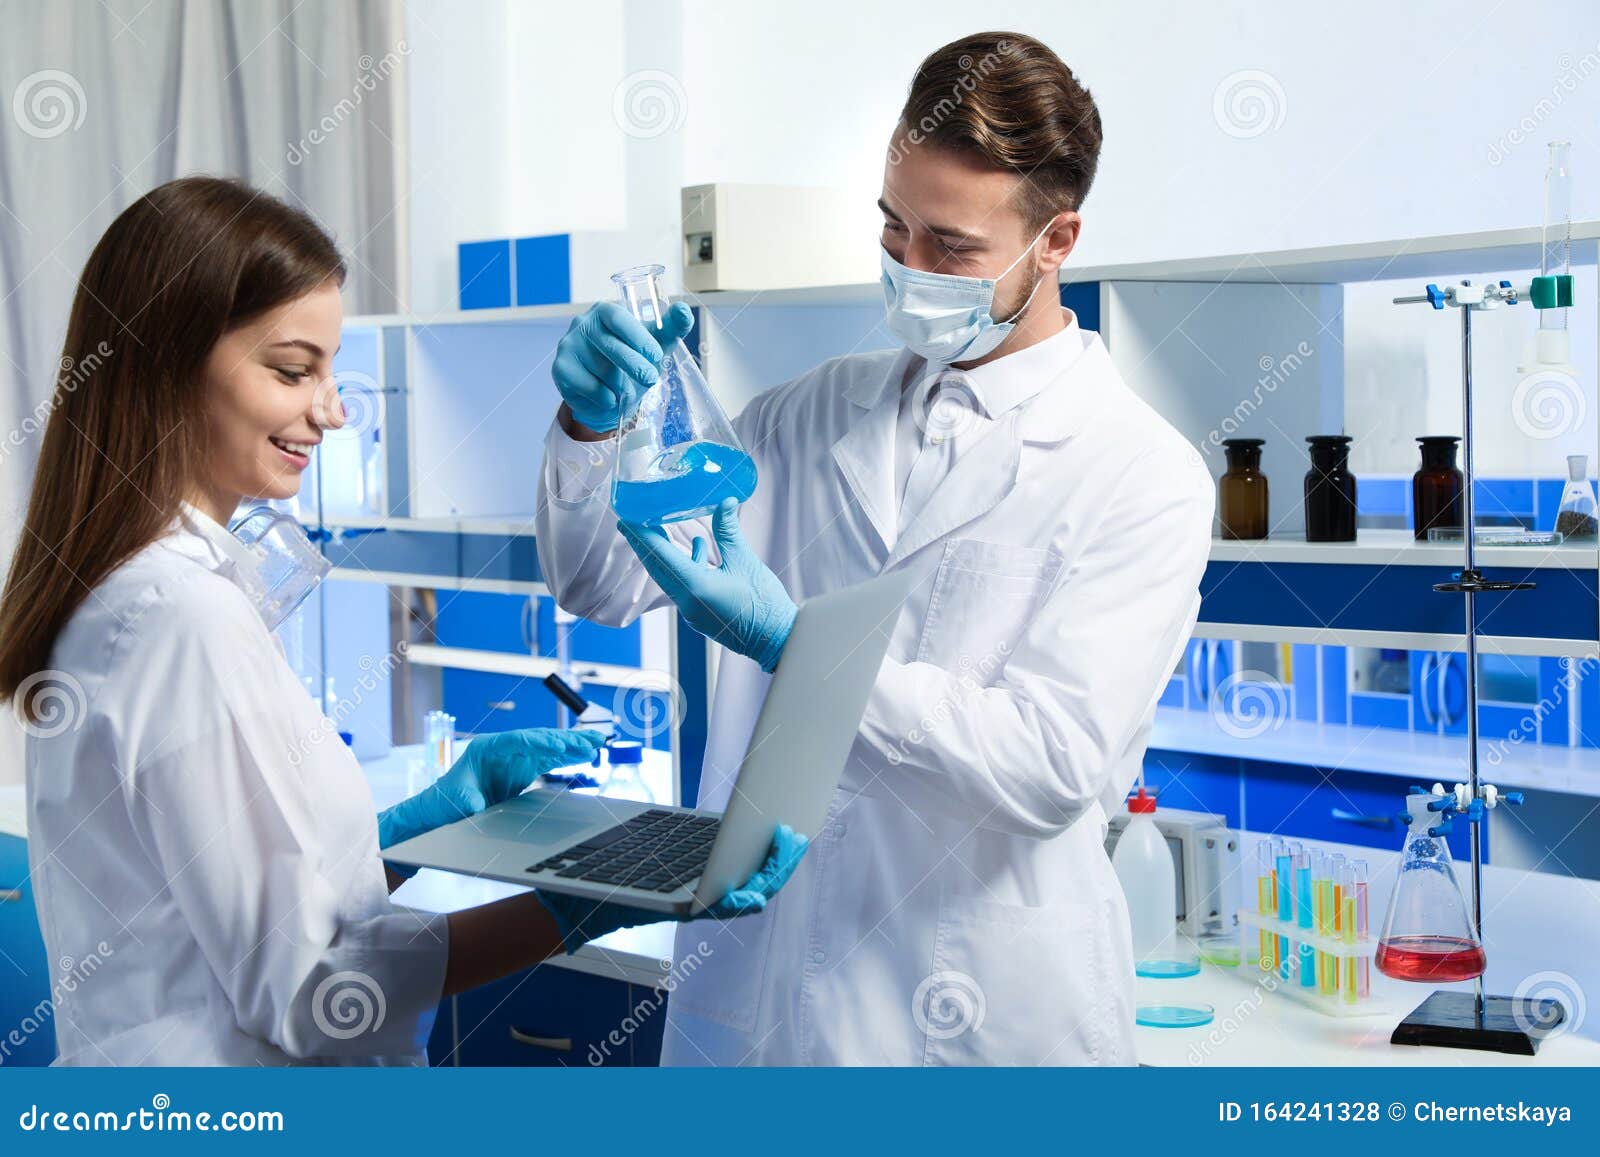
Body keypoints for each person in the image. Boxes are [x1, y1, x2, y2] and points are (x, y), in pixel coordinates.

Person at [0, 176, 805, 1067]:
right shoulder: (180, 615)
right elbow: (316, 994)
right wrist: (591, 901)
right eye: (292, 369)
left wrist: (425, 819)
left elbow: (243, 908)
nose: (334, 411)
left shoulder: (131, 589)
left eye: (332, 371)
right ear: (167, 360)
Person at [535, 31, 1213, 1065]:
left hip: (981, 1024)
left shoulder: (1139, 473)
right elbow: (599, 580)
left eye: (951, 247)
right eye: (894, 227)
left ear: (1056, 239)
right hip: (758, 1001)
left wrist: (792, 644)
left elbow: (1048, 764)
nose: (909, 267)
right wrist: (591, 428)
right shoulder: (803, 417)